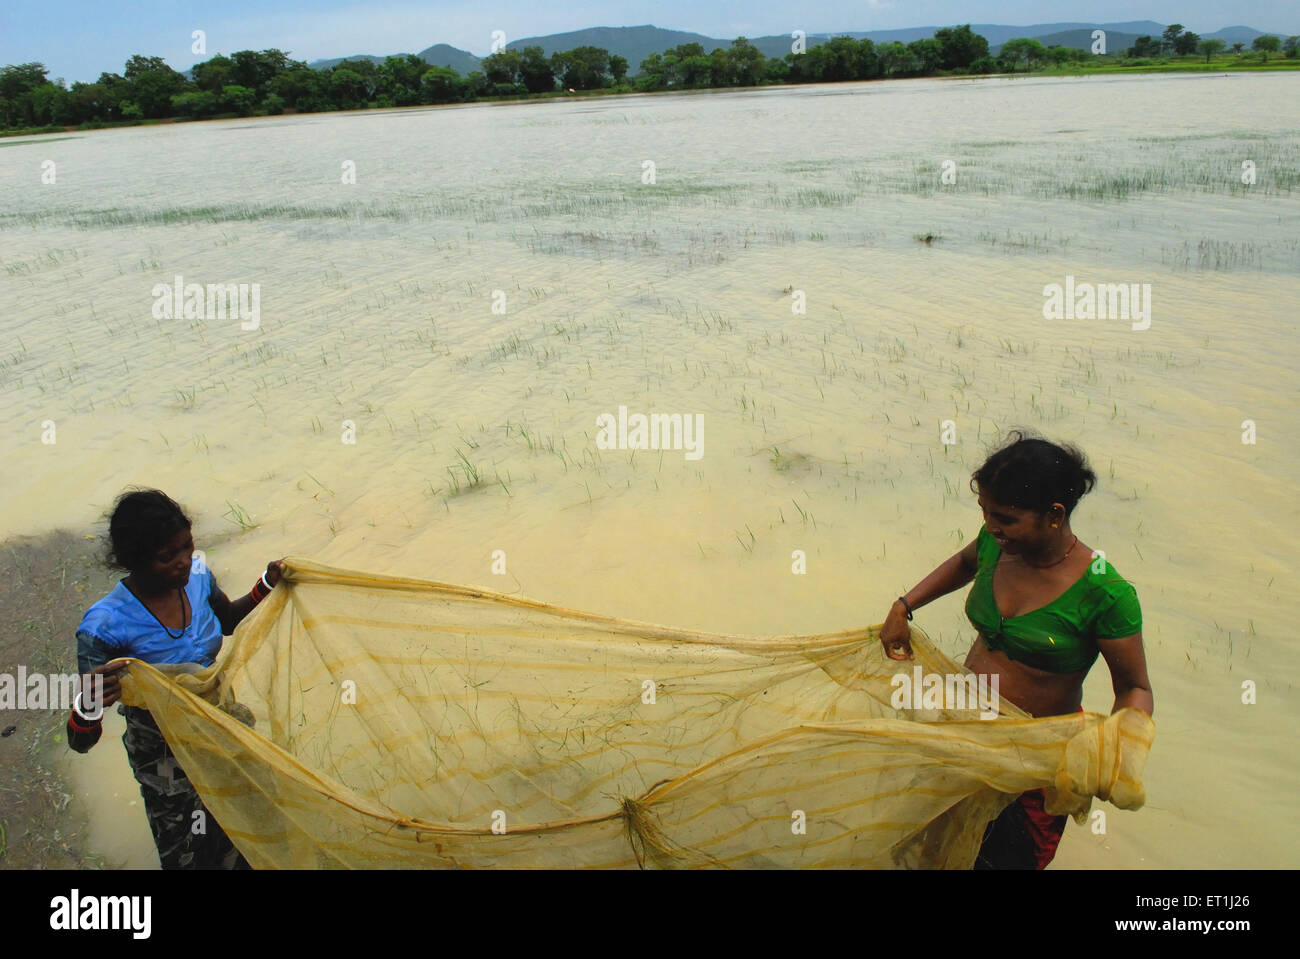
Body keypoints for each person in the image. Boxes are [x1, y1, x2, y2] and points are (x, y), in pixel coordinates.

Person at [878, 431, 1153, 869]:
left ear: (1054, 515)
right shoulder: (996, 544)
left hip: (1033, 761)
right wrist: (904, 606)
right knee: (934, 848)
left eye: (1005, 516)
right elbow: (965, 563)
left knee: (1005, 860)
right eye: (985, 512)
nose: (991, 526)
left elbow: (1135, 687)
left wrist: (1117, 748)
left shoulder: (1106, 592)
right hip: (964, 729)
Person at [66, 488, 285, 870]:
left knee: (247, 820)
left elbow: (228, 621)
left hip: (220, 723)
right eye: (168, 557)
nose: (184, 562)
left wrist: (266, 584)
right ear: (135, 559)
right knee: (189, 846)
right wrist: (88, 703)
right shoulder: (105, 626)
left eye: (188, 547)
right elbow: (81, 741)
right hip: (164, 755)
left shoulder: (198, 577)